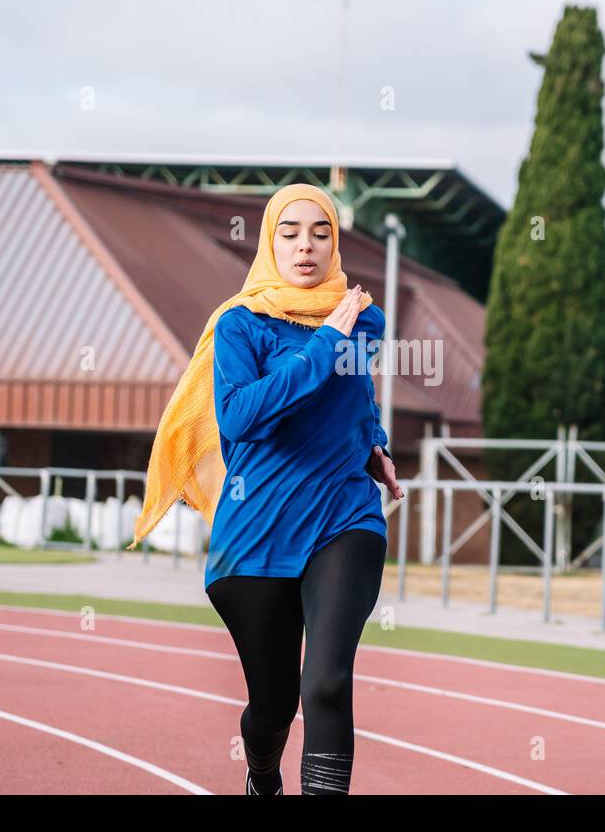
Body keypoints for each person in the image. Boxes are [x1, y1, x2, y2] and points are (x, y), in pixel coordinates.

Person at [126, 182, 405, 795]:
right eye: (290, 232)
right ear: (269, 243)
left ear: (335, 243)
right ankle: (261, 776)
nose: (305, 246)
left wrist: (376, 442)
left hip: (344, 517)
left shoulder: (365, 319)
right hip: (256, 535)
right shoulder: (239, 325)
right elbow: (240, 417)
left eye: (320, 233)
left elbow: (359, 400)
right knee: (273, 706)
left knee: (326, 682)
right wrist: (325, 344)